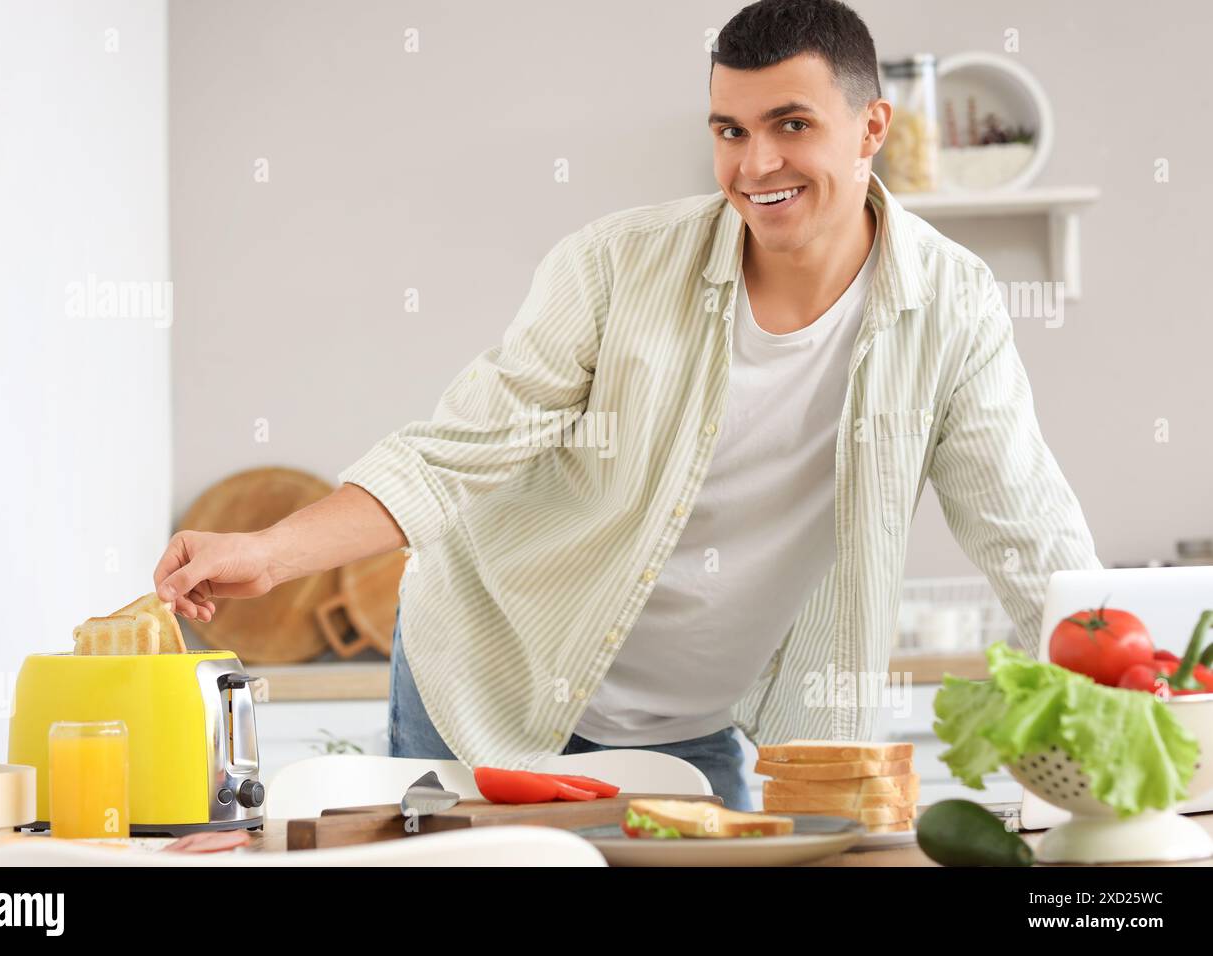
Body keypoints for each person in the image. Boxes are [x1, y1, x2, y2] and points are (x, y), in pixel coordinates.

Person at [154, 0, 1100, 811]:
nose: (756, 163)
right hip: (492, 680)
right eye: (729, 130)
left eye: (791, 124)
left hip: (695, 728)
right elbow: (455, 452)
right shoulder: (616, 267)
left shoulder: (953, 303)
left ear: (872, 128)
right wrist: (266, 553)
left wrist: (1130, 690)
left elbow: (1024, 527)